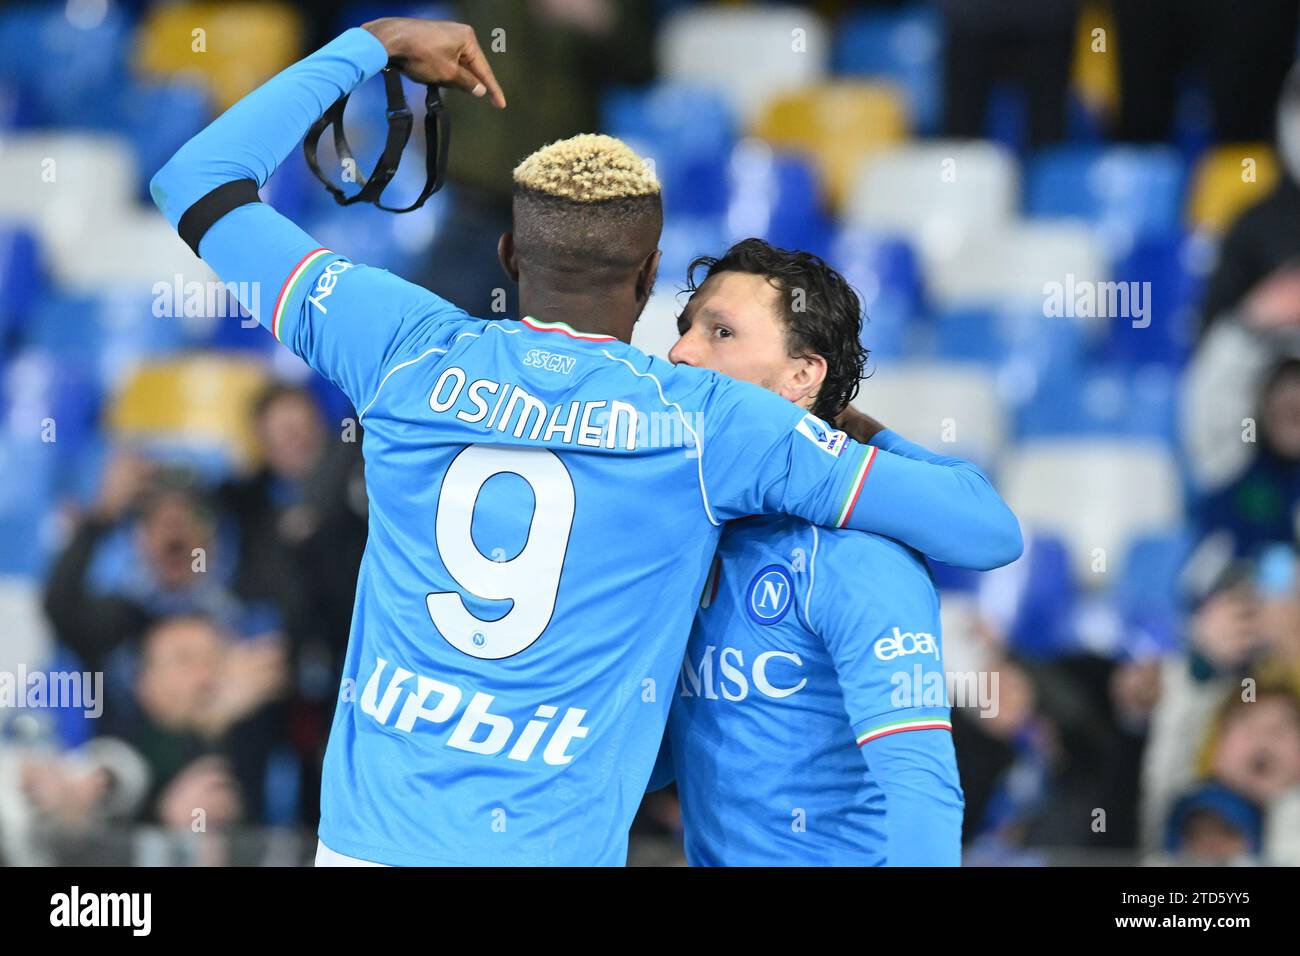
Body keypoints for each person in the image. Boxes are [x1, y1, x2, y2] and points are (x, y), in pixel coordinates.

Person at [149, 17, 1021, 866]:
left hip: (365, 845)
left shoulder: (399, 342)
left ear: (507, 254)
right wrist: (832, 422)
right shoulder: (708, 421)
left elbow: (195, 179)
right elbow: (980, 531)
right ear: (648, 278)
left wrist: (370, 44)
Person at [651, 239, 964, 864]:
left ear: (803, 375)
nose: (680, 352)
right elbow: (652, 757)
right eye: (686, 329)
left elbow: (921, 789)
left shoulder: (858, 557)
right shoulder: (693, 532)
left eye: (721, 333)